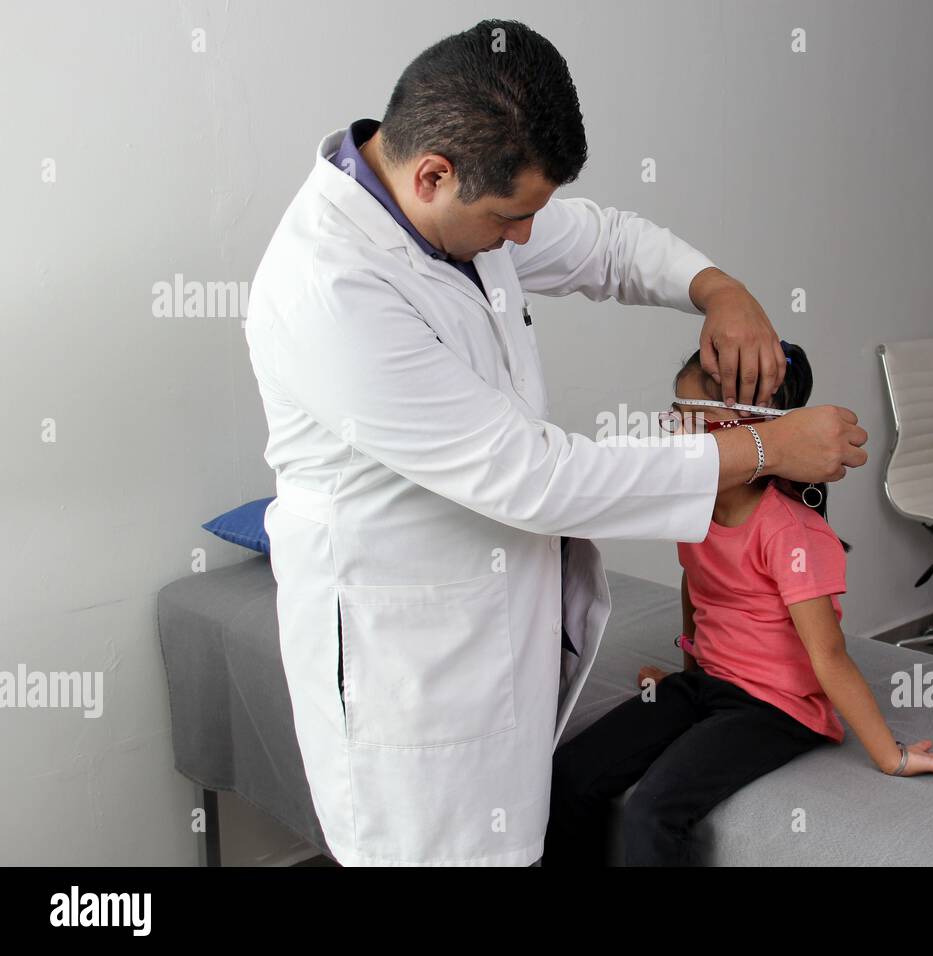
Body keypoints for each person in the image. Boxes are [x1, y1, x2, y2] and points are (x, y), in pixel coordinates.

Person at [244, 19, 867, 866]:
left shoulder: (450, 212)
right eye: (512, 218)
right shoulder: (334, 288)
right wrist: (766, 449)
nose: (528, 239)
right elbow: (533, 476)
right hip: (410, 669)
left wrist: (721, 290)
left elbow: (606, 243)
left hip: (500, 622)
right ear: (434, 175)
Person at [543, 341, 933, 866]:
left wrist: (893, 755)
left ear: (752, 437)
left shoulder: (791, 532)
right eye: (677, 414)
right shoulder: (695, 509)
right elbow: (696, 584)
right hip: (709, 687)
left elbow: (830, 654)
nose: (679, 431)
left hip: (775, 709)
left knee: (652, 811)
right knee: (569, 775)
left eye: (694, 419)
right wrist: (689, 672)